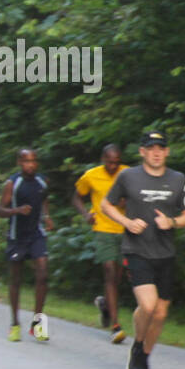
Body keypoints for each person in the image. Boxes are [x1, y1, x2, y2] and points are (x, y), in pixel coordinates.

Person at [100, 130, 185, 369]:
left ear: (166, 152)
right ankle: (138, 346)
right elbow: (105, 205)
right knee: (149, 305)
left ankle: (142, 356)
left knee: (161, 314)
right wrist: (126, 222)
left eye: (161, 148)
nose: (156, 152)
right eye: (151, 148)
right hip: (136, 250)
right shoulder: (127, 176)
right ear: (142, 151)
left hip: (165, 253)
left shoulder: (182, 179)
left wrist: (172, 221)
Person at [73, 144, 129, 343]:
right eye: (109, 162)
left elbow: (139, 198)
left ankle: (105, 304)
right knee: (109, 271)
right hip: (103, 229)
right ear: (103, 159)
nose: (113, 166)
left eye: (116, 162)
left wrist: (127, 203)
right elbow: (77, 197)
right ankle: (115, 325)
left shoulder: (128, 173)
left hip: (125, 228)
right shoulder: (91, 175)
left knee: (117, 278)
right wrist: (86, 214)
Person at [0, 148, 54, 342]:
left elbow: (44, 199)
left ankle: (38, 324)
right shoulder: (12, 184)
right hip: (17, 237)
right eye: (26, 161)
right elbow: (0, 210)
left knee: (43, 275)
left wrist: (46, 217)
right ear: (19, 162)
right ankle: (14, 323)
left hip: (37, 235)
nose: (30, 164)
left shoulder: (42, 181)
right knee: (15, 279)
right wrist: (16, 210)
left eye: (33, 161)